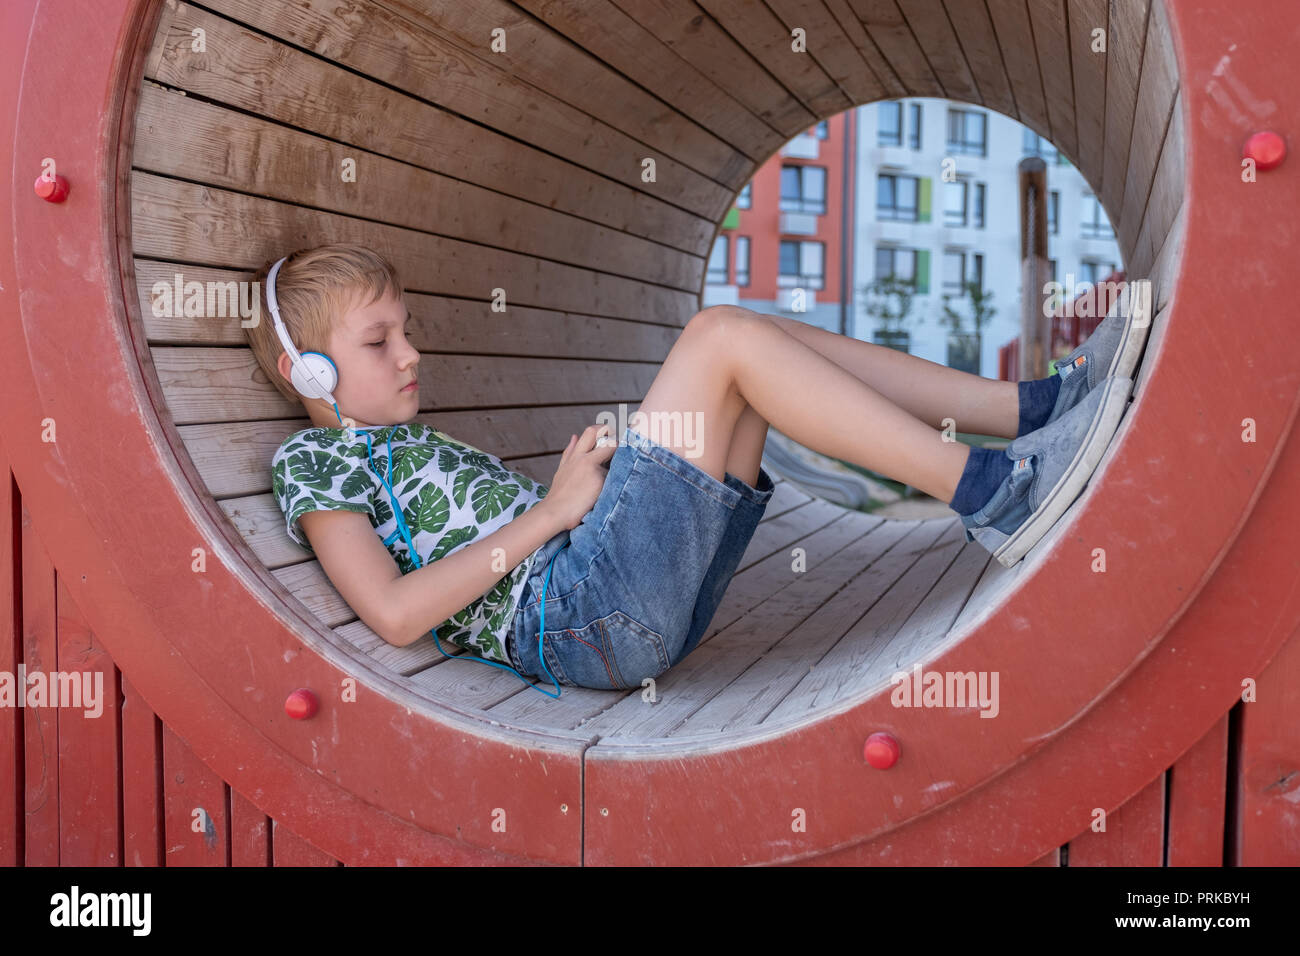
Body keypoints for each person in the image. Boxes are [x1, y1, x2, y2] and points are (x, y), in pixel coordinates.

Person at [247, 242, 1147, 695]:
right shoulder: (316, 462)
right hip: (577, 617)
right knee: (718, 337)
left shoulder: (398, 441)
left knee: (758, 341)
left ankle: (1029, 412)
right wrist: (555, 514)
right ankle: (995, 493)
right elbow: (396, 614)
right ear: (310, 373)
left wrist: (574, 508)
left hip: (603, 585)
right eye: (379, 340)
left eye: (405, 330)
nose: (410, 354)